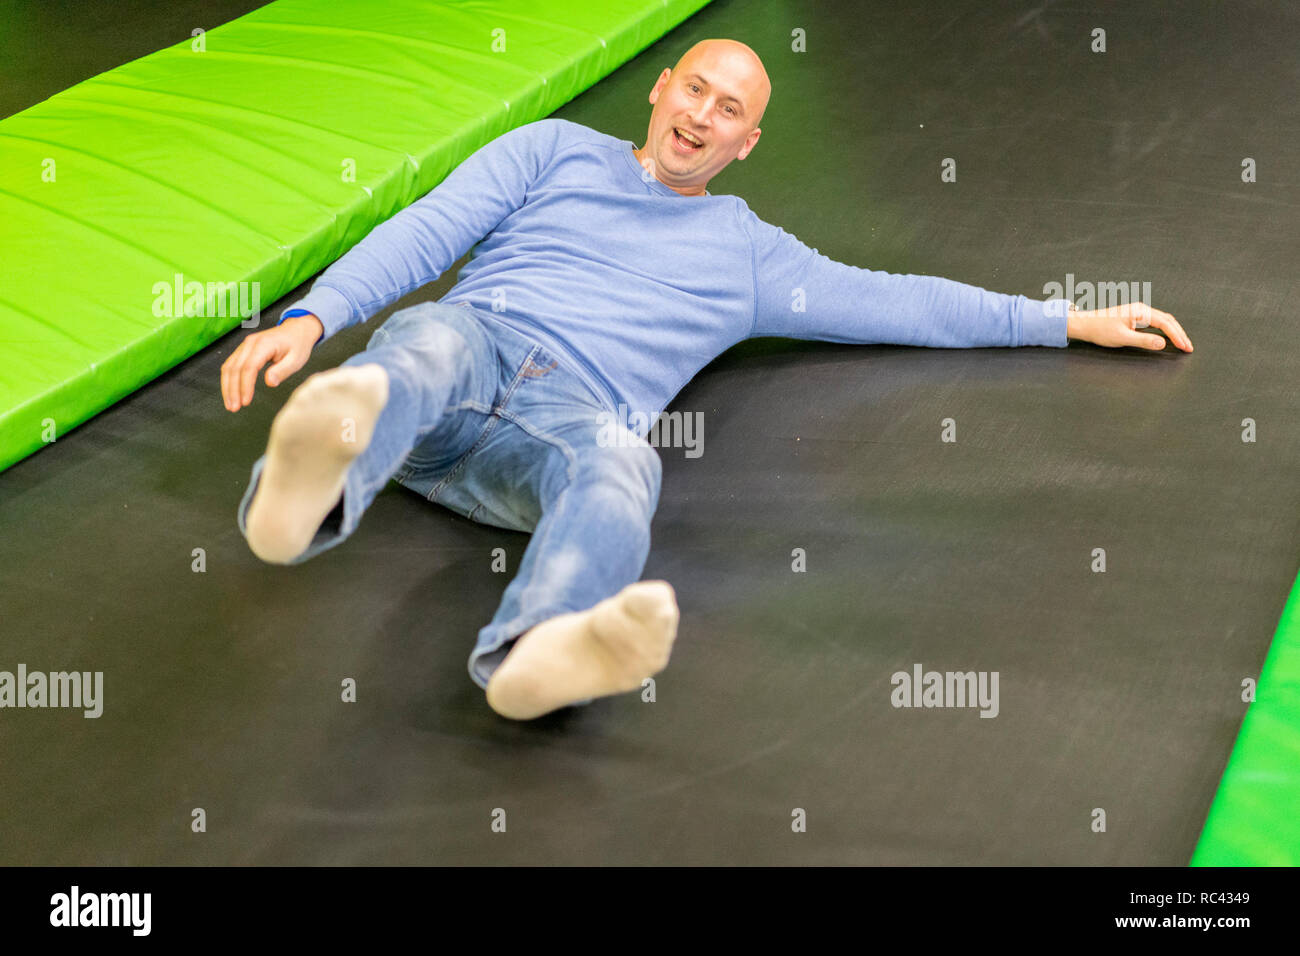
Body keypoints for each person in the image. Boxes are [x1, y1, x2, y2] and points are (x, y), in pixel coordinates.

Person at [219, 39, 1193, 721]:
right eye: (695, 90)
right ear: (660, 89)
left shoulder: (749, 256)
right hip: (474, 349)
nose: (702, 115)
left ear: (745, 144)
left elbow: (902, 301)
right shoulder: (551, 149)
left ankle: (534, 651)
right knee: (425, 340)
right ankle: (299, 503)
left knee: (621, 467)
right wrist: (316, 312)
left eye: (730, 110)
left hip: (561, 425)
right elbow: (430, 224)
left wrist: (1068, 318)